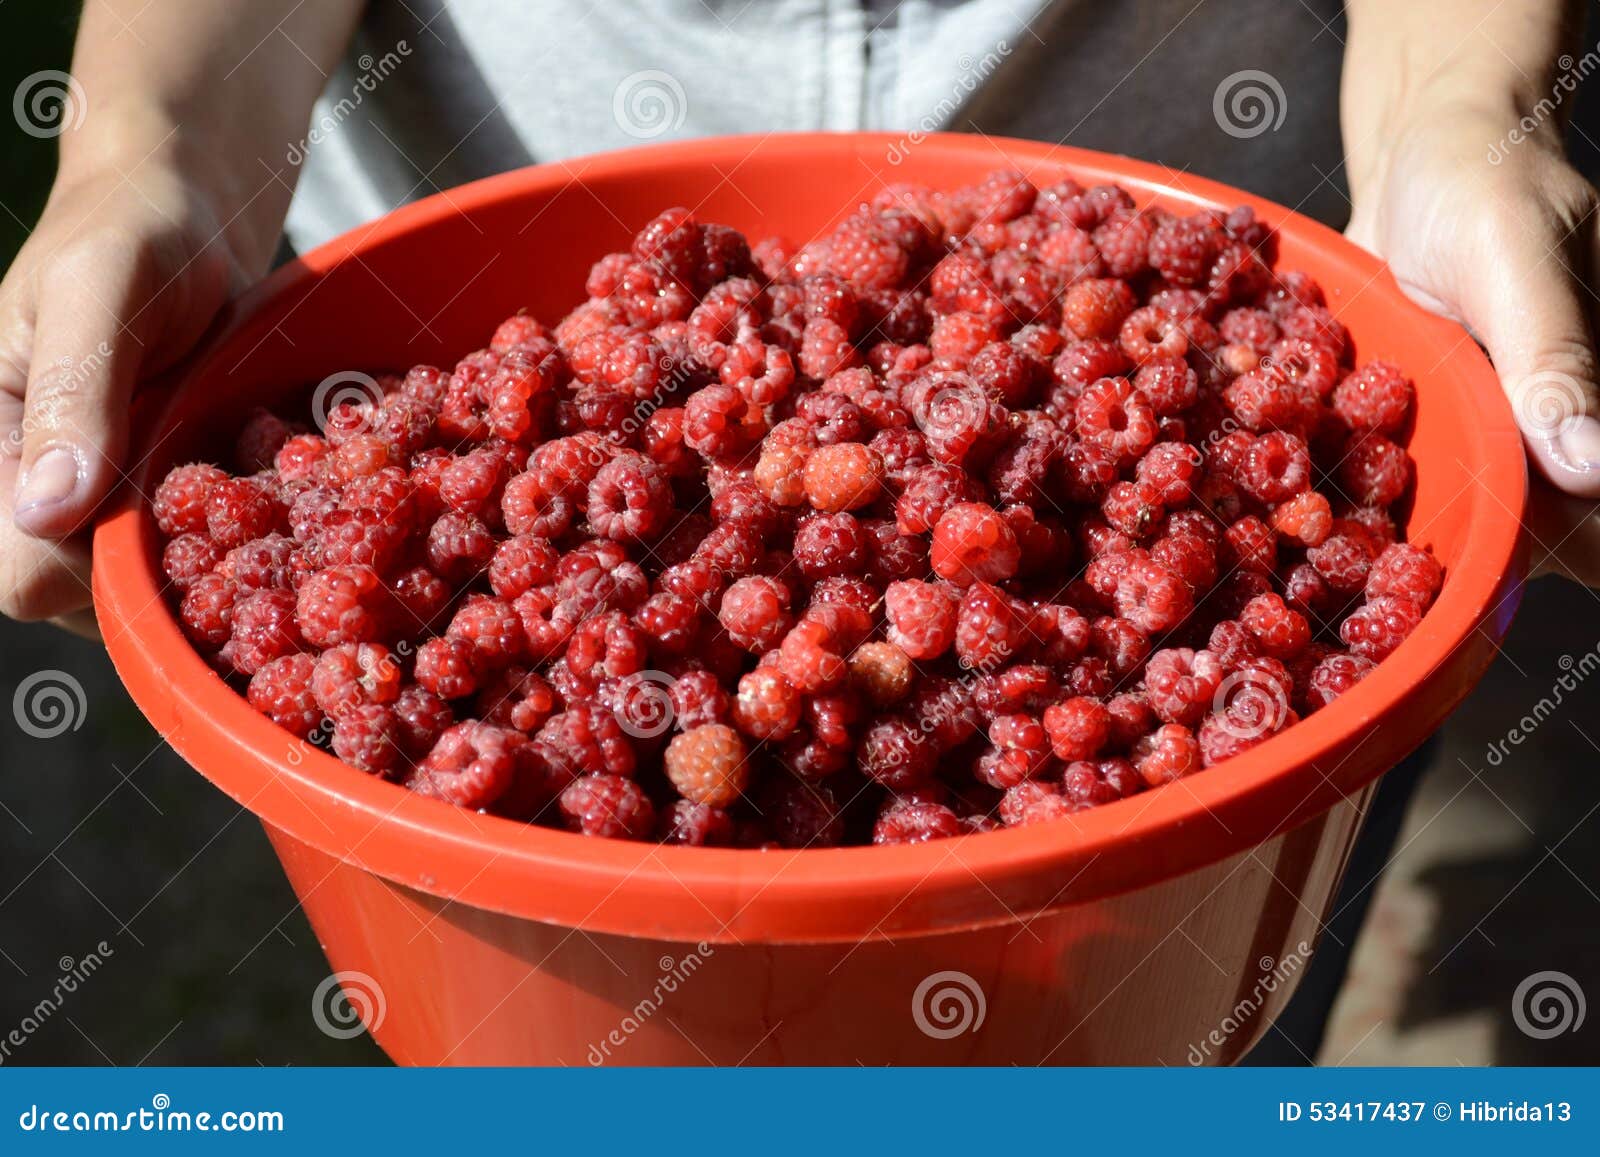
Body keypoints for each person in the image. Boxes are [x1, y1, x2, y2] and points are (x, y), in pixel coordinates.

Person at [1, 0, 1595, 1060]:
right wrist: (155, 147)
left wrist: (1458, 108)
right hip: (480, 301)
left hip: (1229, 221)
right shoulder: (468, 516)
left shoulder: (1137, 474)